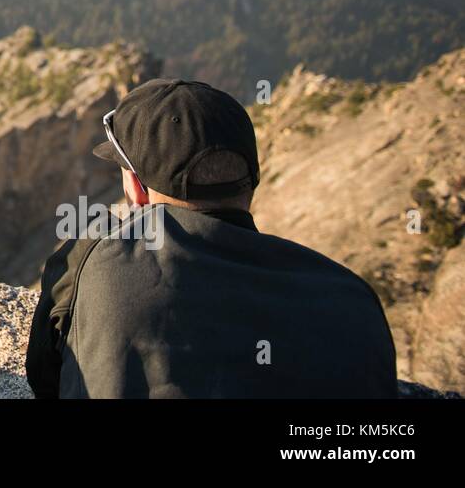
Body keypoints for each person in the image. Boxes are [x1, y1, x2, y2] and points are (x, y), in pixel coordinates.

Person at [25, 77, 398, 399]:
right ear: (251, 182)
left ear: (136, 189)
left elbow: (45, 379)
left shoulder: (94, 254)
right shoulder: (353, 299)